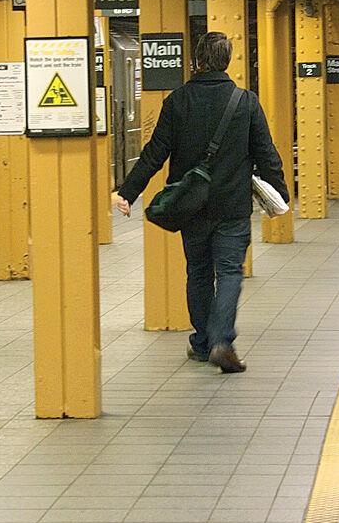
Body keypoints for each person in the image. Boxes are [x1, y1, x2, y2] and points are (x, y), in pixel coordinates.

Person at [111, 32, 288, 374]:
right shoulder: (245, 101)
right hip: (232, 206)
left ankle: (204, 341)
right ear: (228, 60)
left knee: (199, 272)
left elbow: (155, 152)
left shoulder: (178, 101)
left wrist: (129, 191)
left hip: (191, 206)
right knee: (230, 272)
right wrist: (279, 194)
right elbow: (266, 153)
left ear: (196, 60)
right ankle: (223, 340)